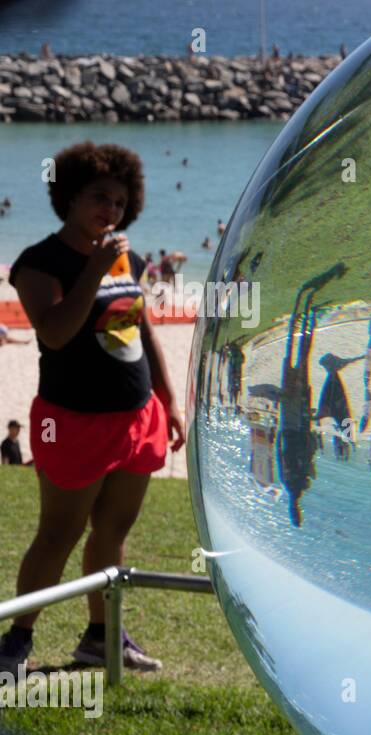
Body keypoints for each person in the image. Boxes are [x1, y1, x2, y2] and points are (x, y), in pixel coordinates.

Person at [0, 141, 184, 677]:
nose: (111, 210)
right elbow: (55, 333)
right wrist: (95, 270)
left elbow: (141, 324)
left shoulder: (124, 255)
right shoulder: (38, 263)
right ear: (70, 198)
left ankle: (102, 637)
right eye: (100, 197)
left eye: (121, 203)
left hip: (136, 414)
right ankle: (16, 641)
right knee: (59, 533)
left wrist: (169, 400)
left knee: (113, 531)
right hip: (71, 420)